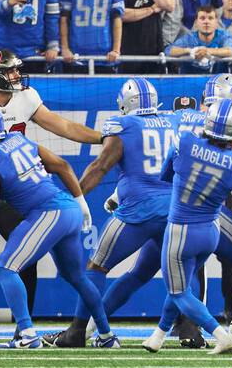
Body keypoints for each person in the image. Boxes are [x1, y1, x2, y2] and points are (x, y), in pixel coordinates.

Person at [0, 50, 105, 331]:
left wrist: (102, 138)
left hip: (9, 186)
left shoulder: (26, 97)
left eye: (16, 70)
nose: (16, 75)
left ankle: (23, 326)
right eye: (10, 71)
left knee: (25, 254)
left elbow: (63, 126)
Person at [41, 79, 182, 349]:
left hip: (137, 211)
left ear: (124, 104)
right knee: (149, 273)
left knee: (97, 266)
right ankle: (189, 328)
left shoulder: (124, 125)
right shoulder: (172, 121)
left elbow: (99, 167)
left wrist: (75, 197)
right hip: (173, 210)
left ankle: (78, 330)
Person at [156, 98, 232, 354]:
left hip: (180, 227)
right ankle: (157, 336)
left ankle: (219, 334)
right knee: (181, 285)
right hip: (212, 230)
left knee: (178, 289)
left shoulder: (185, 141)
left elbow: (165, 176)